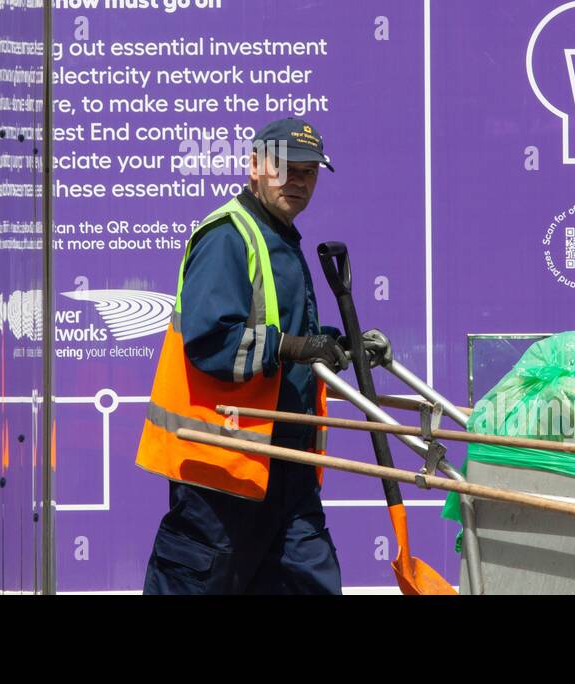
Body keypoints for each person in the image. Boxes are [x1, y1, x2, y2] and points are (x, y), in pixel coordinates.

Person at [136, 117, 390, 594]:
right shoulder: (229, 236)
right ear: (254, 165)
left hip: (285, 467)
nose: (298, 180)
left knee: (311, 584)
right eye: (286, 168)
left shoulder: (281, 238)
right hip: (223, 473)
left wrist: (344, 345)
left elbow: (285, 333)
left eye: (309, 171)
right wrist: (293, 347)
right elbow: (212, 342)